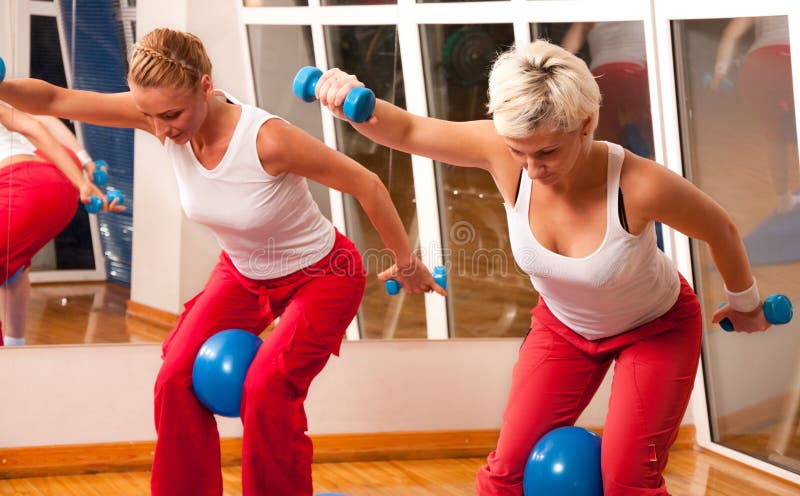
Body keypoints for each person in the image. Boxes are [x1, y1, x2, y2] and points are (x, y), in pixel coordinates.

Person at [315, 39, 773, 495]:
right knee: (503, 475)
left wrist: (745, 304)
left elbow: (721, 229)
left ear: (586, 123)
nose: (532, 170)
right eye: (519, 151)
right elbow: (411, 132)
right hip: (563, 329)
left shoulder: (639, 185)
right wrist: (356, 103)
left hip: (656, 330)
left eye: (547, 153)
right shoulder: (501, 152)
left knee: (627, 481)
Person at [0, 28, 443, 496]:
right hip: (243, 272)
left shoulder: (267, 139)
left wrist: (407, 261)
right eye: (148, 116)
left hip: (323, 274)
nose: (160, 130)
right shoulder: (159, 116)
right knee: (174, 379)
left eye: (171, 115)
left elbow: (368, 183)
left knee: (266, 390)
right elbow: (54, 99)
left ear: (206, 88)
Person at [0, 104, 115, 347]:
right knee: (12, 272)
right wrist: (82, 174)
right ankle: (14, 351)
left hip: (17, 187)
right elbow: (38, 123)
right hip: (57, 185)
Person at [710, 17, 798, 212]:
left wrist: (720, 72)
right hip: (790, 56)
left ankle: (783, 198)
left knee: (773, 133)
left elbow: (731, 34)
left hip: (758, 64)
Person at [561, 21, 654, 159]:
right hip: (636, 74)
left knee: (607, 154)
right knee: (652, 148)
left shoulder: (592, 8)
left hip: (600, 79)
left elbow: (564, 53)